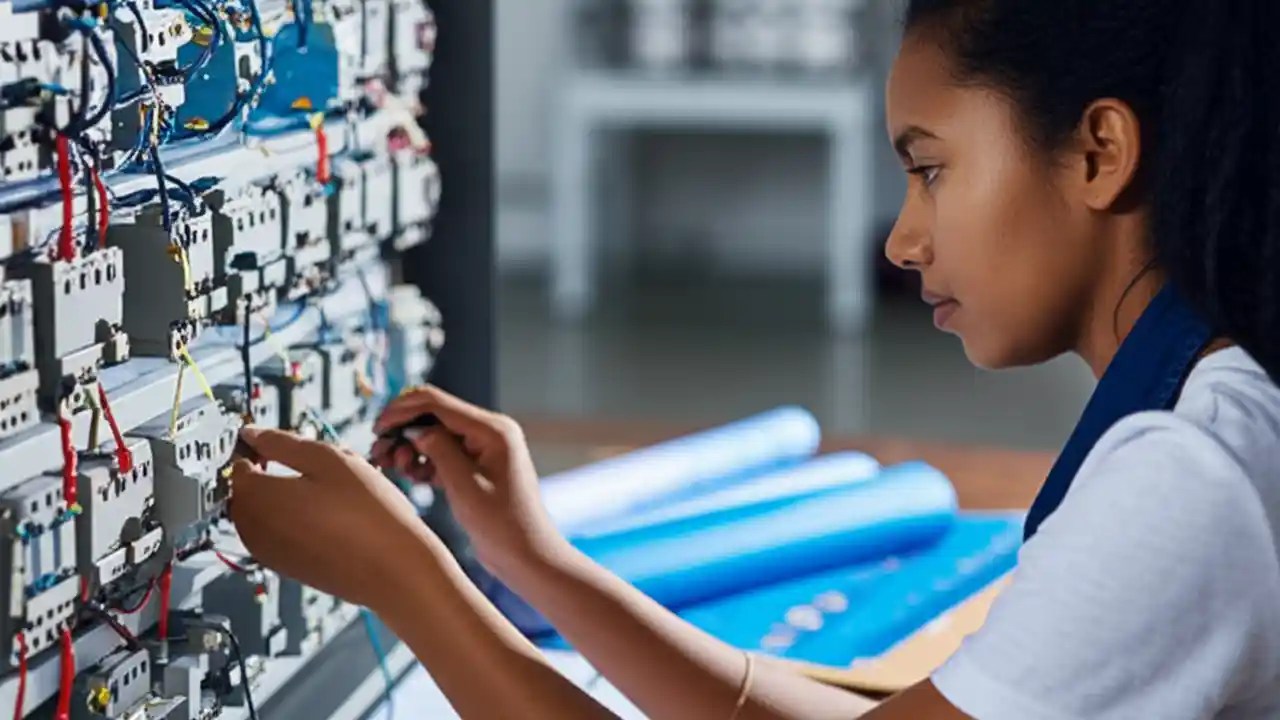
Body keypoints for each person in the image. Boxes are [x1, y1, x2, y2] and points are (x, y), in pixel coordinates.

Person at [229, 0, 1280, 717]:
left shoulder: (1178, 483)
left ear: (1097, 152)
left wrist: (401, 580)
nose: (901, 240)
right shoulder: (1213, 411)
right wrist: (535, 565)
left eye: (929, 169)